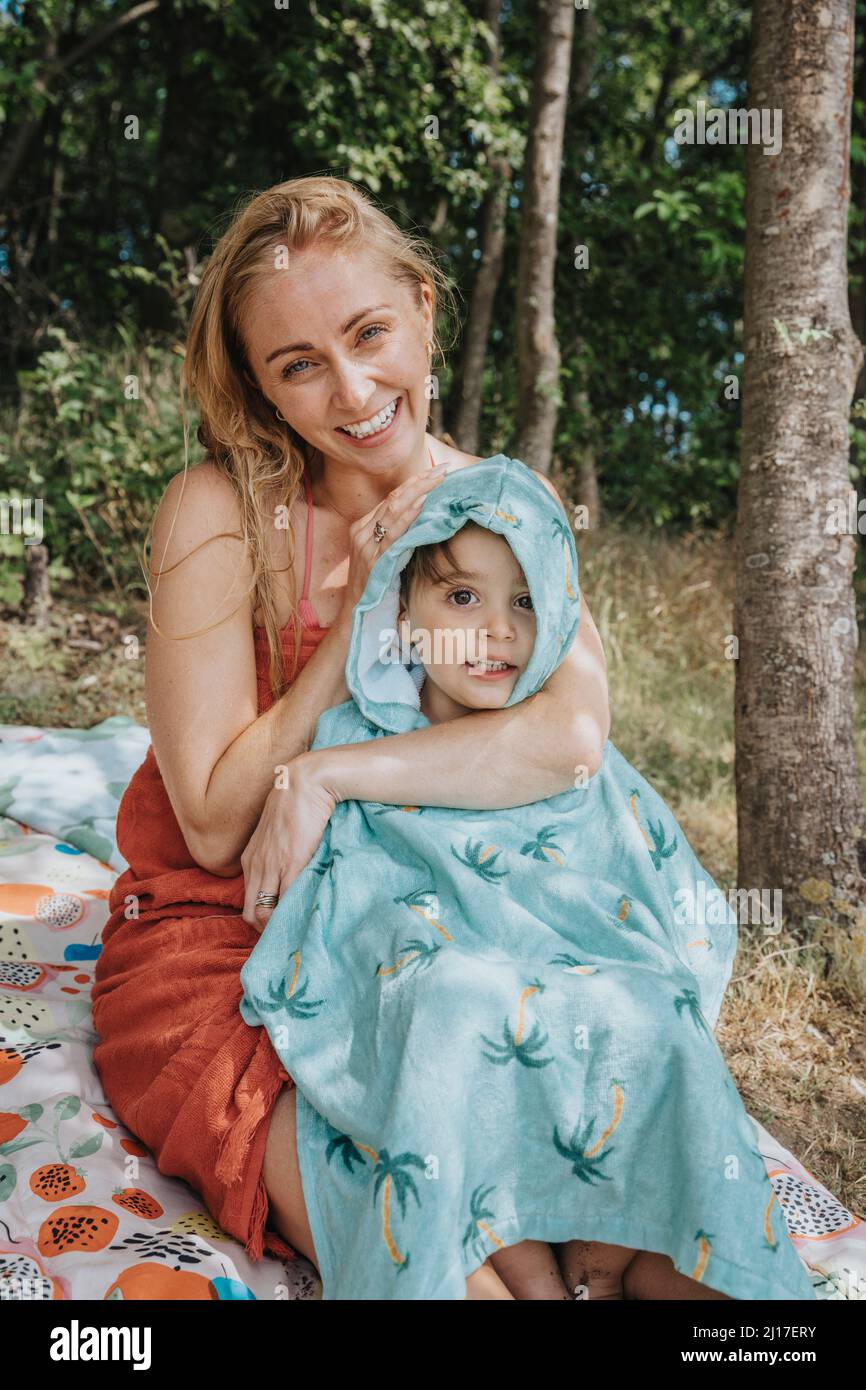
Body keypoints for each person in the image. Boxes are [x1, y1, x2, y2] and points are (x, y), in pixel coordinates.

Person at [91, 174, 613, 1300]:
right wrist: (361, 609)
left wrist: (329, 772)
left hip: (432, 928)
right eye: (297, 364)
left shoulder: (491, 503)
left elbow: (572, 736)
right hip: (220, 944)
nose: (352, 387)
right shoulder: (218, 511)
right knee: (434, 1256)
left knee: (627, 1235)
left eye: (369, 332)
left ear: (424, 307)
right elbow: (219, 823)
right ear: (261, 391)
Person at [238, 462, 816, 1302]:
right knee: (446, 1008)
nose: (499, 633)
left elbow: (629, 879)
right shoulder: (354, 739)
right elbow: (346, 920)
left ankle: (615, 1249)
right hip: (452, 998)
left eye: (525, 602)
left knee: (653, 1014)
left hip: (576, 988)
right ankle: (521, 1260)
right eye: (462, 598)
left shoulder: (552, 742)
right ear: (402, 608)